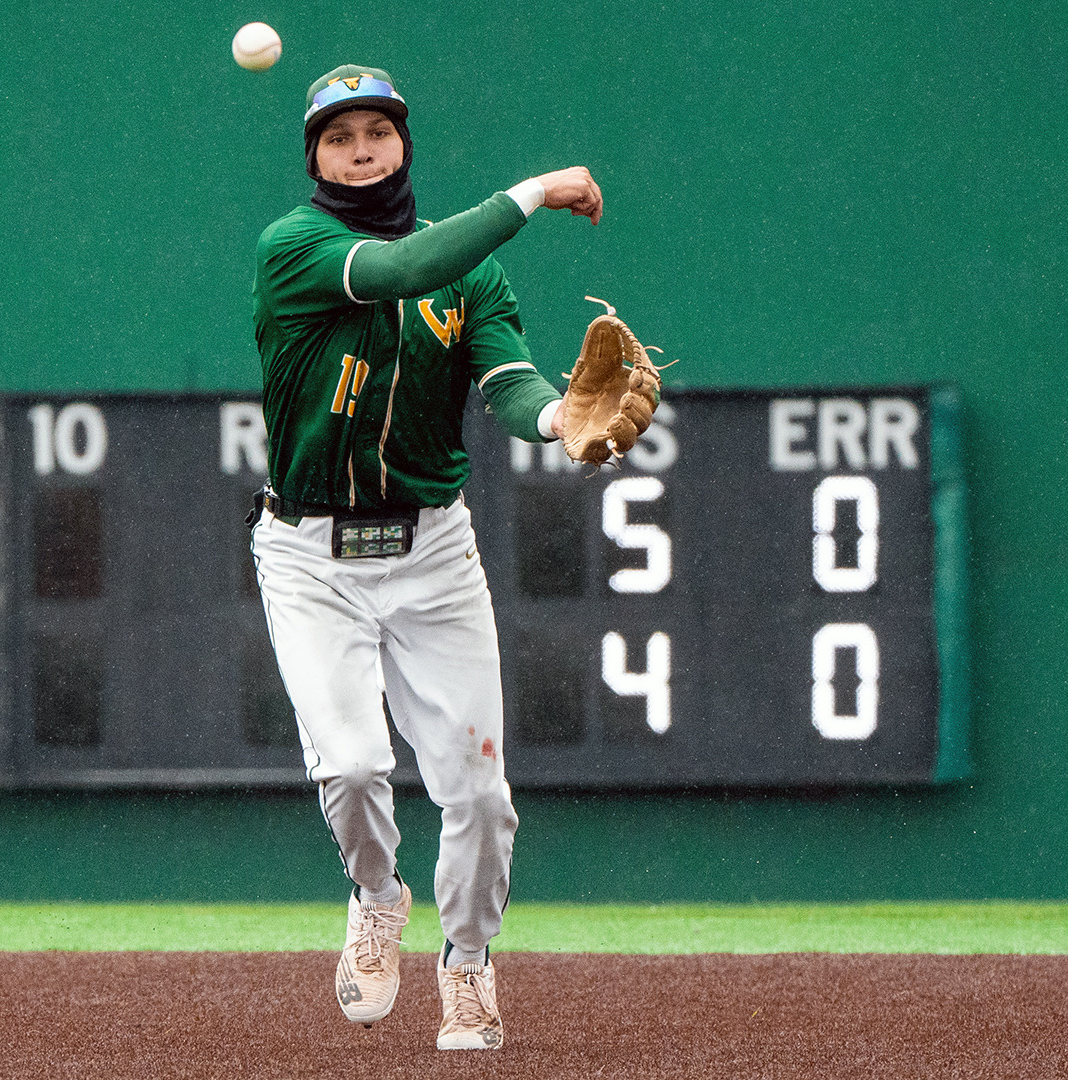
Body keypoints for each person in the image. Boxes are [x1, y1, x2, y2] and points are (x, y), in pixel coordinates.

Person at [248, 64, 603, 1051]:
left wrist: (563, 421)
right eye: (338, 137)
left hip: (433, 551)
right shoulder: (297, 248)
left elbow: (511, 385)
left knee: (481, 792)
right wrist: (533, 194)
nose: (361, 150)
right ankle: (375, 892)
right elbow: (402, 271)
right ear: (317, 157)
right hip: (311, 554)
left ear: (405, 146)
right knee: (356, 766)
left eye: (378, 133)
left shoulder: (476, 275)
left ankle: (468, 966)